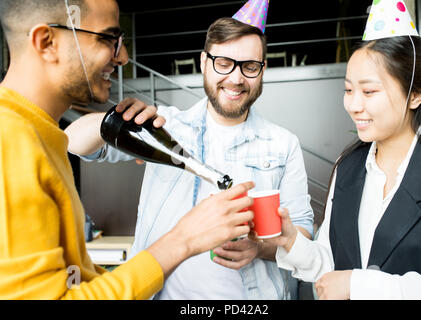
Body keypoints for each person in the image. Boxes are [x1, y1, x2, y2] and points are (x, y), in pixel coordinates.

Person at [0, 0, 255, 300]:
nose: (123, 57)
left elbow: (71, 282)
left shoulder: (40, 135)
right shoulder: (10, 139)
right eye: (108, 39)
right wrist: (183, 239)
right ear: (47, 43)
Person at [66, 17, 314, 299]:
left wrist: (260, 248)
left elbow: (303, 232)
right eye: (223, 62)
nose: (235, 78)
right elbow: (73, 142)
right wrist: (111, 123)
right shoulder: (164, 125)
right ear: (203, 62)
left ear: (262, 70)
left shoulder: (283, 144)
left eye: (249, 66)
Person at [270, 33, 421, 299]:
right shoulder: (348, 166)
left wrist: (360, 286)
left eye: (369, 91)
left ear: (416, 95)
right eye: (348, 90)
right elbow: (332, 265)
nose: (353, 105)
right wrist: (290, 242)